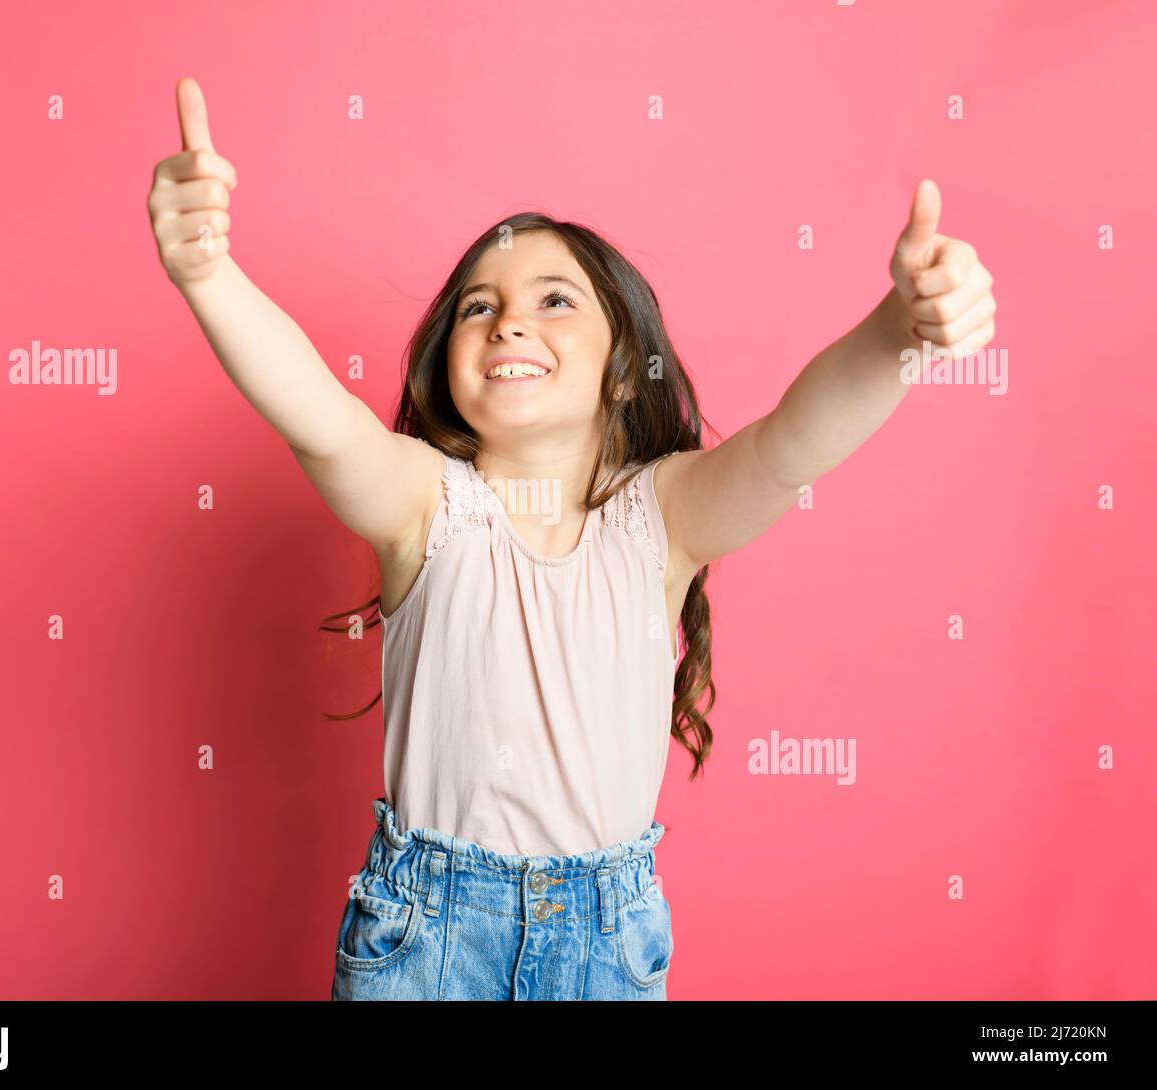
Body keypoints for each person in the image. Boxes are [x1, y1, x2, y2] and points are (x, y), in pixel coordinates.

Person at [146, 77, 997, 1001]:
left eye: (556, 301)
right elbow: (321, 422)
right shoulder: (424, 505)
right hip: (426, 937)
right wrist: (209, 275)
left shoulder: (661, 519)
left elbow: (790, 444)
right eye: (478, 306)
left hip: (606, 940)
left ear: (625, 372)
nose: (509, 317)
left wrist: (897, 333)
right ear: (448, 370)